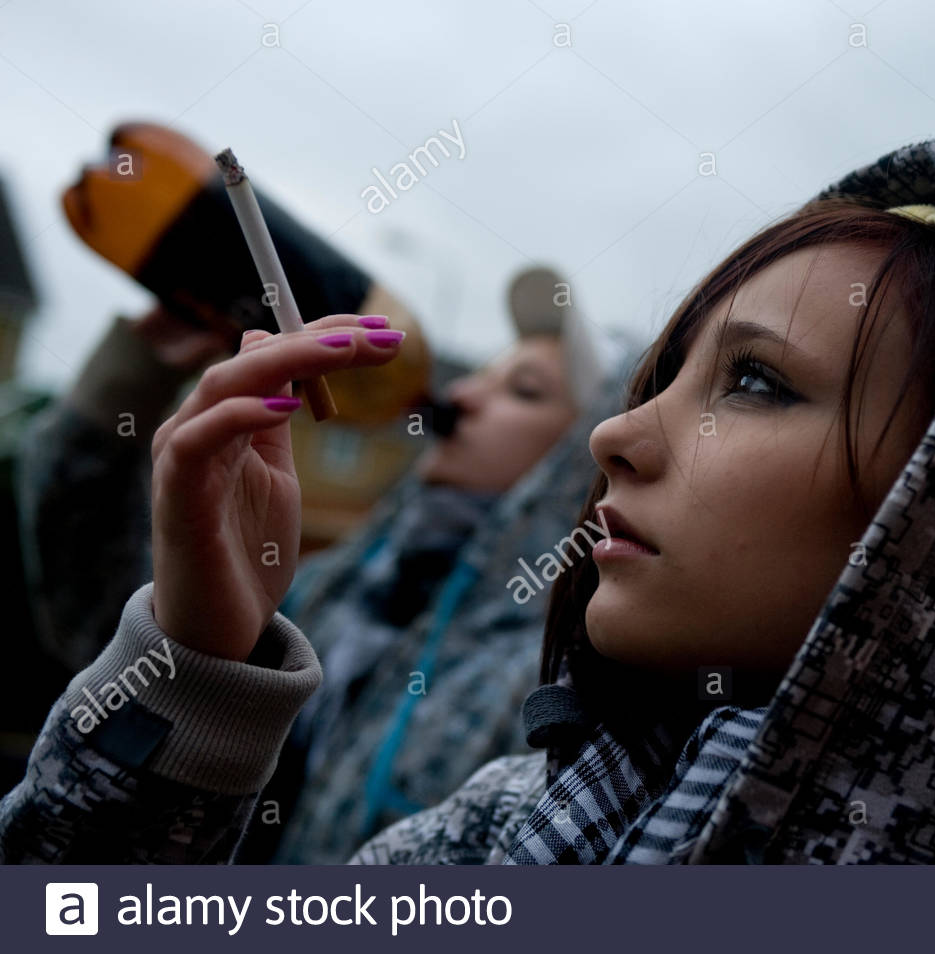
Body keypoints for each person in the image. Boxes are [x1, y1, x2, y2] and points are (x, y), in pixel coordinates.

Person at [0, 140, 935, 865]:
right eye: (657, 380)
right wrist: (206, 665)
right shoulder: (509, 827)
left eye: (753, 380)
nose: (615, 435)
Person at [13, 266, 627, 863]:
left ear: (578, 465)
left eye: (523, 390)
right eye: (483, 376)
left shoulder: (558, 679)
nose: (462, 394)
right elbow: (94, 617)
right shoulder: (341, 591)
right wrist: (132, 379)